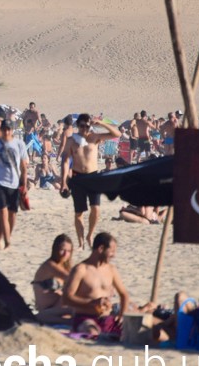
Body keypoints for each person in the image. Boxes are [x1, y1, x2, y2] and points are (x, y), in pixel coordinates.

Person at [60, 114, 121, 249]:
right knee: (79, 212)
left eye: (87, 126)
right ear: (77, 126)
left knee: (96, 209)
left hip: (93, 177)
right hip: (77, 178)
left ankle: (90, 234)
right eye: (82, 126)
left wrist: (101, 123)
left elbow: (117, 133)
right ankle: (81, 241)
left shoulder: (94, 138)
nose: (84, 129)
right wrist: (64, 181)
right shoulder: (71, 141)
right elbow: (65, 161)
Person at [63, 232, 130, 339]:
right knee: (92, 332)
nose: (114, 255)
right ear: (101, 249)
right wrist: (92, 303)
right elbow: (66, 298)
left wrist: (122, 315)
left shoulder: (111, 270)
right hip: (85, 318)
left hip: (107, 317)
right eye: (112, 251)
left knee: (135, 332)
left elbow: (124, 294)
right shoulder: (81, 269)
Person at [0, 118, 27, 249]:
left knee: (12, 214)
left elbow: (24, 167)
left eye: (8, 129)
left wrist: (24, 184)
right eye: (4, 129)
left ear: (12, 130)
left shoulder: (19, 144)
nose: (6, 132)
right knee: (2, 213)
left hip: (14, 183)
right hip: (0, 182)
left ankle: (7, 235)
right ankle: (7, 241)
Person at [33, 234, 75, 323]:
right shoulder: (49, 266)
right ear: (55, 249)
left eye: (68, 251)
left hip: (59, 308)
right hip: (46, 311)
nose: (65, 254)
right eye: (62, 250)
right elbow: (71, 279)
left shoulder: (65, 266)